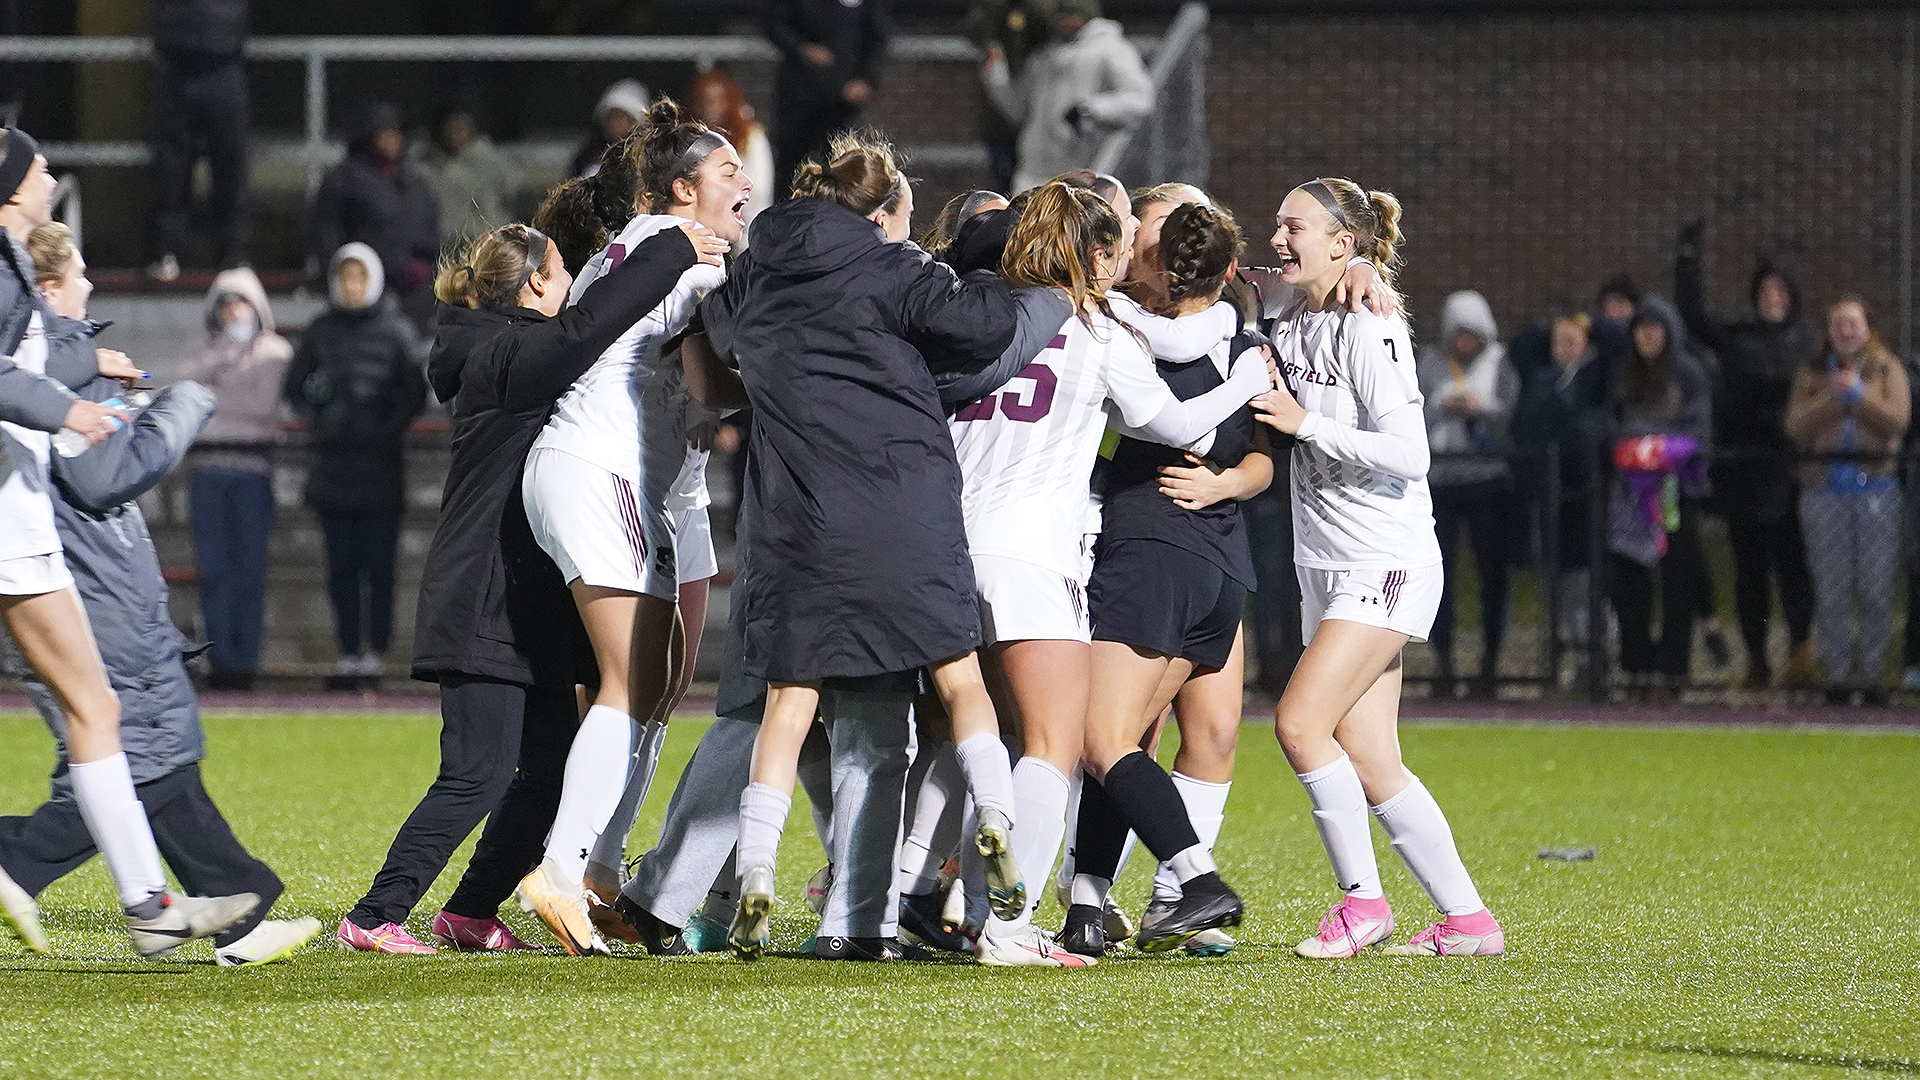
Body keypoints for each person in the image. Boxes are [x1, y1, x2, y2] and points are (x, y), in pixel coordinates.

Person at [687, 131, 1032, 960]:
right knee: (959, 678)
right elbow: (984, 327)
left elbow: (716, 345)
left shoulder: (753, 273)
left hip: (797, 518)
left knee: (788, 702)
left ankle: (761, 869)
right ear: (882, 213)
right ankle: (993, 818)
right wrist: (985, 264)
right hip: (903, 508)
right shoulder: (890, 267)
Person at [336, 218, 722, 955]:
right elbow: (585, 331)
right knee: (476, 774)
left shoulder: (510, 348)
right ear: (538, 281)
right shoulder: (505, 353)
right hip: (480, 599)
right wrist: (673, 249)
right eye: (565, 271)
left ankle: (471, 911)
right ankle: (375, 914)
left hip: (527, 606)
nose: (575, 284)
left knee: (549, 771)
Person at [951, 186, 1279, 965]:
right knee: (1059, 743)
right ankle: (1012, 921)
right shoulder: (1101, 327)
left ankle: (887, 902)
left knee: (937, 731)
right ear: (1096, 256)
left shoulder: (971, 306)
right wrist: (1246, 368)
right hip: (1040, 550)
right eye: (1122, 237)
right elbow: (1170, 421)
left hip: (943, 541)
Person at [0, 222, 320, 967]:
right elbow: (99, 476)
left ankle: (206, 908)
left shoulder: (64, 355)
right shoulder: (51, 363)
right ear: (45, 289)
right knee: (133, 751)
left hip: (94, 584)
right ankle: (203, 913)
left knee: (132, 753)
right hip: (90, 591)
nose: (89, 279)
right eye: (77, 269)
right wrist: (182, 404)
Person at [509, 99, 749, 956]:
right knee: (624, 683)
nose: (745, 183)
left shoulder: (653, 246)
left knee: (640, 684)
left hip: (587, 468)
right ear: (682, 189)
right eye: (728, 173)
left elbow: (708, 380)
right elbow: (748, 315)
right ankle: (564, 868)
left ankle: (588, 866)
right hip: (598, 466)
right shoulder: (671, 245)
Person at [1252, 177, 1503, 959]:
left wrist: (1307, 422)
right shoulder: (1288, 304)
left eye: (1294, 226)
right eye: (1277, 224)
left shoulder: (1370, 325)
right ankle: (1468, 921)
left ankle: (1363, 905)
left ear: (1342, 242)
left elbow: (1411, 454)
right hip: (1324, 564)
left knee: (1298, 724)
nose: (1277, 239)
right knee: (1370, 755)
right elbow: (1215, 265)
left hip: (1382, 561)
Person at [1676, 223, 1818, 690]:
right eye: (1765, 291)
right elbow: (1693, 317)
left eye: (1780, 291)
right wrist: (1689, 259)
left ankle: (1801, 650)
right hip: (1743, 472)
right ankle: (1757, 658)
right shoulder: (1739, 339)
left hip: (1789, 472)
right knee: (1750, 574)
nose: (1772, 299)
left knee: (1794, 569)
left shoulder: (1806, 344)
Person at [282, 244, 428, 688]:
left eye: (359, 278)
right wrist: (322, 414)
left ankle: (375, 653)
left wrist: (385, 425)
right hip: (333, 471)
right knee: (341, 566)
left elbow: (414, 393)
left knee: (379, 566)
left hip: (381, 471)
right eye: (345, 278)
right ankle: (348, 652)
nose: (351, 287)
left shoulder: (396, 332)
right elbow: (296, 388)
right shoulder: (320, 331)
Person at [1785, 297, 1910, 705]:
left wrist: (1859, 395)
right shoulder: (1811, 374)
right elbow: (1796, 426)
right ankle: (1837, 677)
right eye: (1839, 324)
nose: (1846, 331)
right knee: (1831, 590)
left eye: (1854, 323)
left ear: (1868, 328)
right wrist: (1832, 398)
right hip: (1825, 494)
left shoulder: (1888, 368)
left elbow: (1897, 419)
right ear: (1829, 331)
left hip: (1876, 493)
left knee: (1875, 589)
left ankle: (1873, 677)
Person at [179, 266, 291, 691]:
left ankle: (246, 663)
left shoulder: (276, 351)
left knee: (249, 571)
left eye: (240, 301)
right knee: (215, 572)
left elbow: (263, 406)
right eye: (224, 304)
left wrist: (216, 393)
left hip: (252, 475)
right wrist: (226, 359)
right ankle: (220, 661)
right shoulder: (200, 351)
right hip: (207, 473)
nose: (233, 311)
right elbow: (185, 400)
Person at [1604, 297, 1713, 703]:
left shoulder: (1687, 373)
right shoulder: (1623, 374)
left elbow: (1699, 430)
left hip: (1674, 494)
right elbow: (1611, 425)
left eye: (1656, 328)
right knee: (1631, 584)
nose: (1648, 336)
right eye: (1641, 329)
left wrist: (1658, 448)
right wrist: (1633, 451)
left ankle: (1672, 670)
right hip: (1629, 497)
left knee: (1677, 584)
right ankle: (1636, 668)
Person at [1418, 290, 1518, 698]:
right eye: (1458, 334)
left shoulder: (1501, 363)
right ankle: (1444, 663)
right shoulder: (1429, 364)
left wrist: (1481, 409)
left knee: (1492, 575)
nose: (1464, 343)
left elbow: (1511, 413)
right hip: (1440, 481)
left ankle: (1490, 662)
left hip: (1486, 482)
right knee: (1438, 580)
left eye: (1472, 335)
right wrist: (1443, 406)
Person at [1512, 313, 1608, 685]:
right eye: (1557, 341)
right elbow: (1527, 425)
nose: (1562, 349)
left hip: (1585, 493)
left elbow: (1587, 429)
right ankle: (1565, 655)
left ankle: (1595, 656)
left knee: (1586, 582)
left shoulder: (1595, 379)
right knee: (1555, 579)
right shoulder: (1543, 381)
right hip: (1548, 493)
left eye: (1572, 340)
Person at [980, 0, 1151, 193]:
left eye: (1068, 13)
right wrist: (996, 74)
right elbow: (1017, 109)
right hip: (1033, 170)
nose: (1061, 20)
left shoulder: (1111, 48)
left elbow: (1139, 99)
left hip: (1082, 171)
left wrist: (1093, 108)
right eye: (1059, 15)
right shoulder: (1045, 56)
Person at [310, 99, 443, 333]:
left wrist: (426, 270)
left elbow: (431, 230)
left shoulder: (413, 181)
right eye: (384, 133)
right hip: (365, 294)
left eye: (395, 133)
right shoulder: (342, 180)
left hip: (416, 296)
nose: (392, 140)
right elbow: (326, 236)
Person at [144, 0, 251, 278]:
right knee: (171, 169)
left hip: (223, 63)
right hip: (177, 66)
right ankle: (166, 251)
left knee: (230, 165)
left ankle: (233, 253)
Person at [763, 0, 891, 201]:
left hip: (842, 101)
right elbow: (773, 23)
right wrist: (802, 48)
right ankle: (785, 216)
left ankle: (835, 219)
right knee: (791, 165)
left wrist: (866, 79)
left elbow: (877, 36)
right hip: (800, 95)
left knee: (840, 163)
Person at [965, 0, 1056, 195]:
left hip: (1040, 105)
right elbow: (975, 29)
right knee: (1007, 183)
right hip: (1001, 118)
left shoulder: (1039, 16)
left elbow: (1049, 29)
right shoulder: (997, 9)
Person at [416, 101, 521, 247]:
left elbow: (513, 191)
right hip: (447, 245)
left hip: (490, 244)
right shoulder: (425, 168)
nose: (457, 134)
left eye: (462, 128)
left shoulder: (490, 162)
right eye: (451, 128)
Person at [687, 68, 776, 225]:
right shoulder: (686, 137)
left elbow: (758, 192)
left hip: (742, 220)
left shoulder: (749, 137)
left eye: (717, 99)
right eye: (703, 100)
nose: (710, 106)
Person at [571, 79, 649, 180]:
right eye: (612, 116)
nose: (616, 123)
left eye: (622, 117)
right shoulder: (586, 157)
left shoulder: (647, 158)